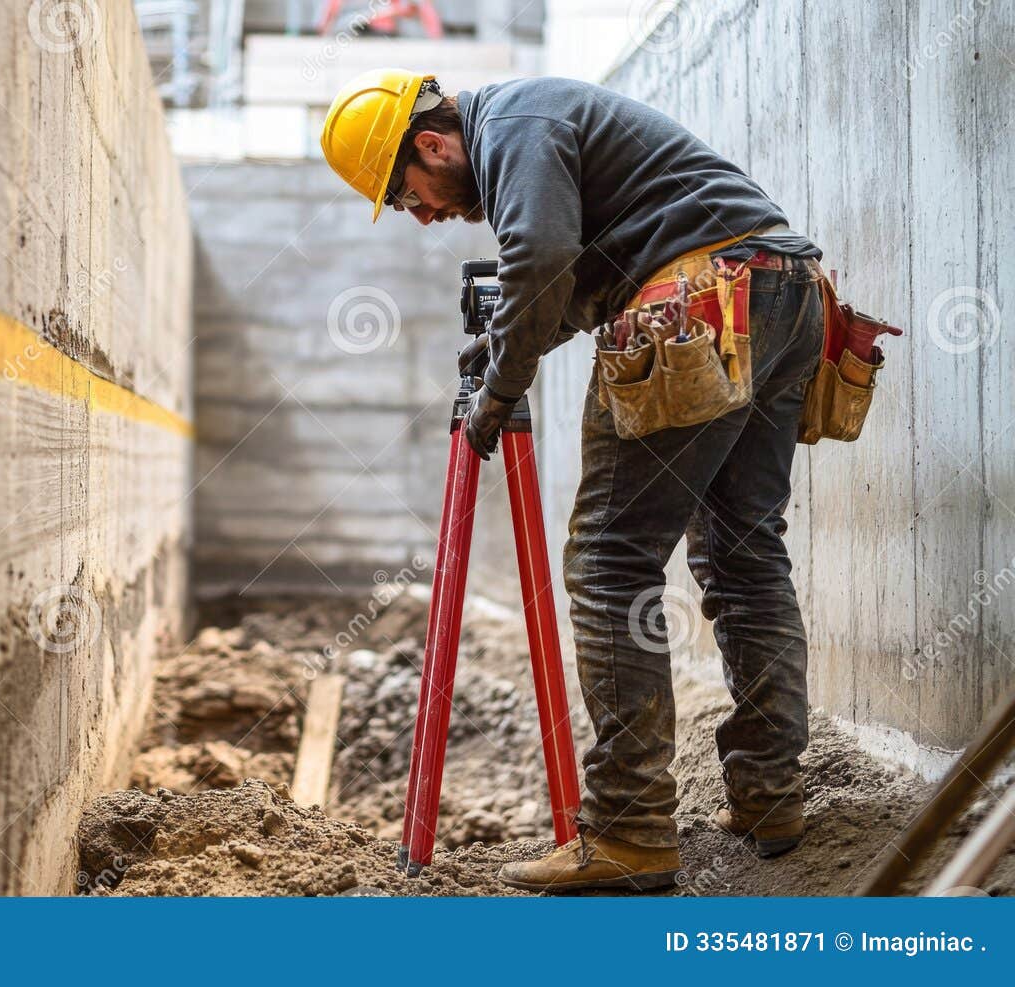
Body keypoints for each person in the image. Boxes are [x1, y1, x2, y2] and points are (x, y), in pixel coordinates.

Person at [319, 70, 825, 893]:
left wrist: (501, 391)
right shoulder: (542, 122)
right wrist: (513, 348)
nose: (423, 217)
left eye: (408, 196)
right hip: (785, 289)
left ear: (431, 144)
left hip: (694, 305)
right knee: (744, 553)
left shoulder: (514, 123)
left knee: (607, 561)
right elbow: (576, 274)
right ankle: (770, 795)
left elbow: (544, 255)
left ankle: (628, 829)